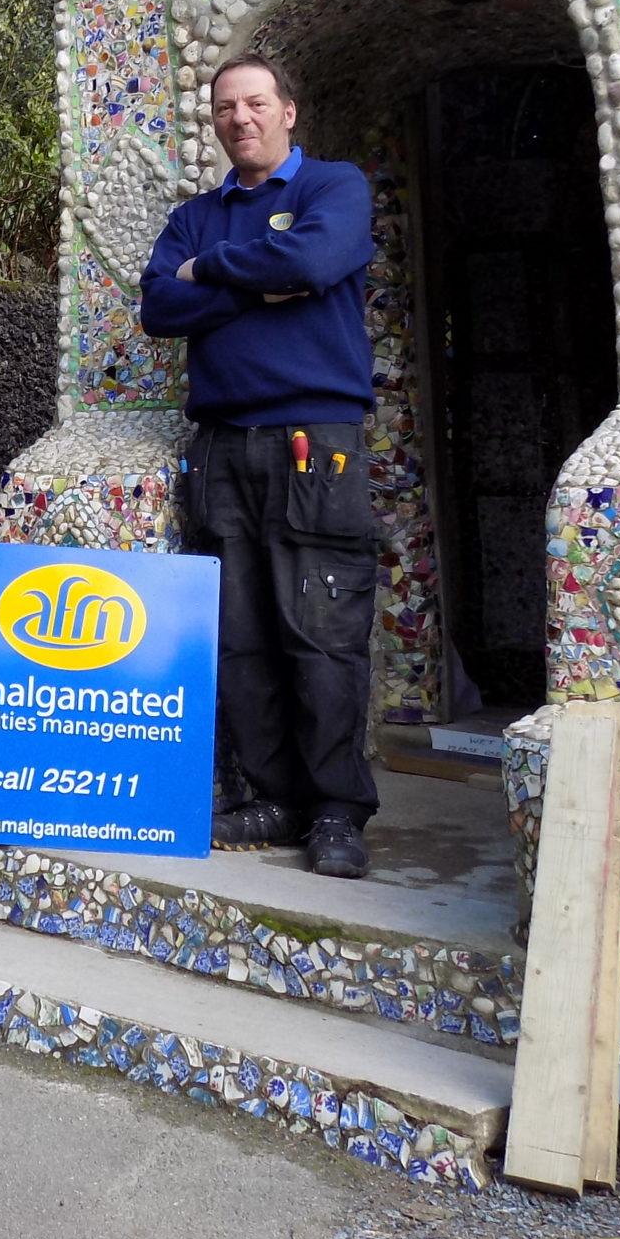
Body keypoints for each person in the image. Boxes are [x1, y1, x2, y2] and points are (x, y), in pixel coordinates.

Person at [137, 53, 379, 878]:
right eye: (225, 109)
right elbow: (158, 306)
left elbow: (312, 263)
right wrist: (251, 278)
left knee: (323, 631)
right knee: (238, 636)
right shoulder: (194, 215)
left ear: (288, 111)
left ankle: (338, 812)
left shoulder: (334, 189)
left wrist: (212, 271)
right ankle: (271, 798)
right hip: (221, 448)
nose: (240, 118)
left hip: (317, 442)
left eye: (255, 104)